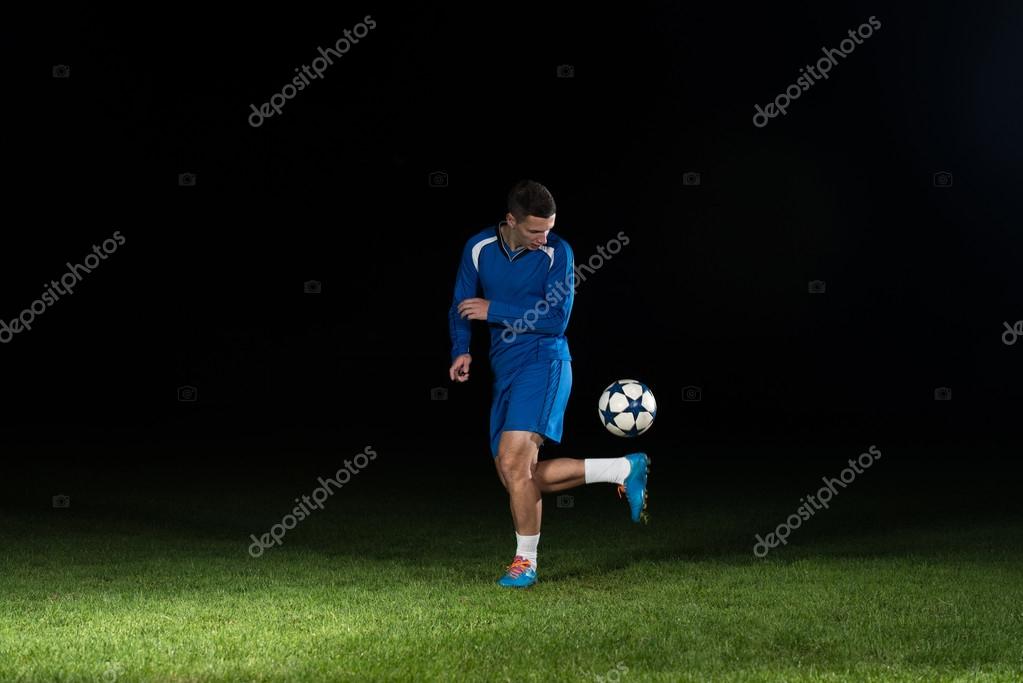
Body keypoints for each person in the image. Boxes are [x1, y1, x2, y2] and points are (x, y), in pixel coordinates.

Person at [448, 179, 650, 589]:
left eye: (549, 228)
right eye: (535, 230)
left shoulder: (559, 251)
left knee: (513, 465)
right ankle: (624, 468)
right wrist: (462, 348)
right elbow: (461, 303)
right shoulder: (479, 247)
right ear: (510, 220)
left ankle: (526, 563)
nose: (544, 237)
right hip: (505, 368)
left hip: (545, 362)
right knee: (518, 475)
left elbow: (556, 318)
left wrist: (495, 310)